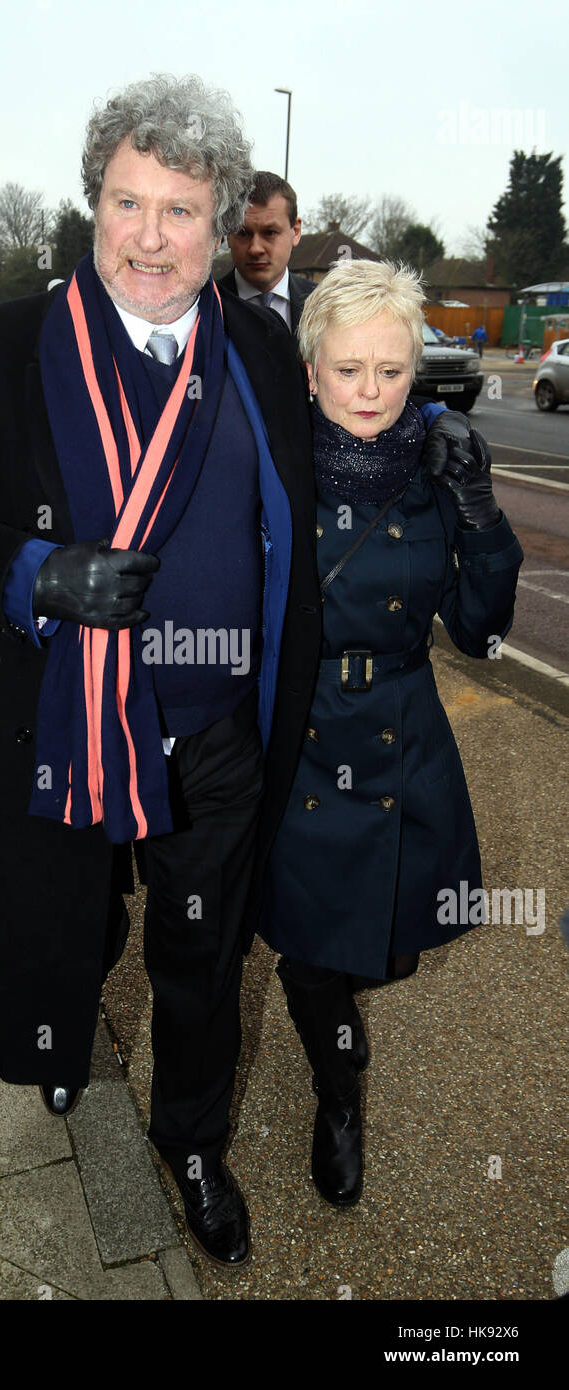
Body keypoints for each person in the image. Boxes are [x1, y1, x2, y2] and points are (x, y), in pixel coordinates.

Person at [0, 73, 325, 1270]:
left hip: (214, 734)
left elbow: (296, 518)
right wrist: (37, 573)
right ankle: (58, 1040)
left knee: (200, 952)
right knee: (70, 923)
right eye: (125, 202)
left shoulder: (260, 348)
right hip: (65, 719)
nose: (148, 236)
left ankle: (191, 1140)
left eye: (180, 210)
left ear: (223, 221)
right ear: (92, 202)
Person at [253, 259, 523, 1210]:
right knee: (313, 954)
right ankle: (337, 1098)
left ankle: (339, 1029)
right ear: (310, 367)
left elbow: (482, 636)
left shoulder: (437, 470)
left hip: (406, 736)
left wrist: (481, 512)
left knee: (393, 948)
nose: (370, 393)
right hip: (302, 738)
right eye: (347, 369)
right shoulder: (268, 467)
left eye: (392, 371)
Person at [217, 170, 315, 334]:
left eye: (270, 233)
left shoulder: (323, 305)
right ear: (228, 234)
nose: (255, 249)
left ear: (296, 231)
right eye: (243, 233)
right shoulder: (204, 307)